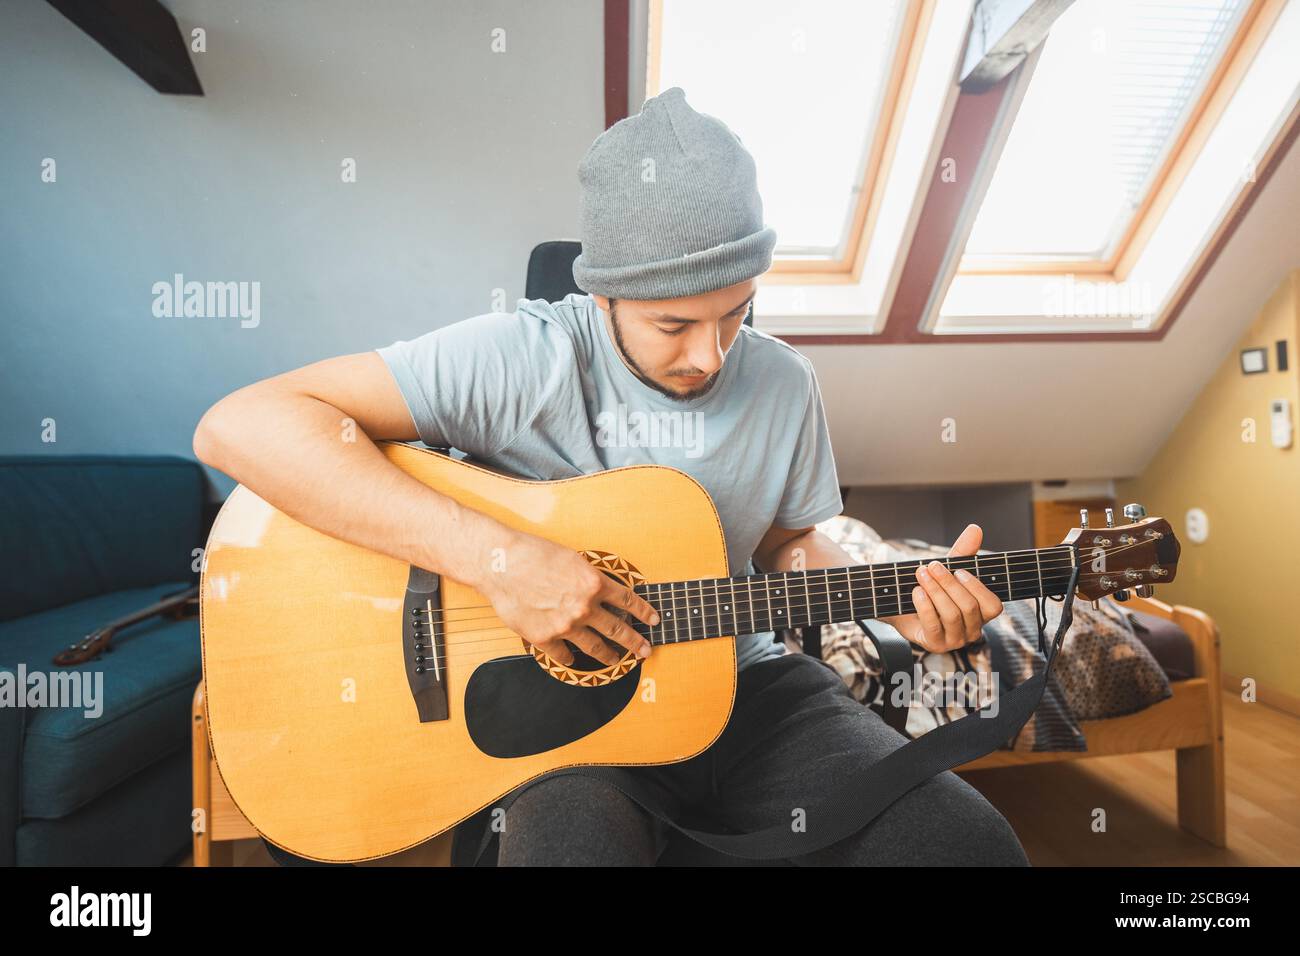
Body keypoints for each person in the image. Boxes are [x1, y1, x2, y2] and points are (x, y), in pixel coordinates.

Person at [194, 87, 1028, 867]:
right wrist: (500, 560)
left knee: (966, 845)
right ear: (602, 299)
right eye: (675, 323)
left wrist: (893, 601)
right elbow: (241, 425)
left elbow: (784, 546)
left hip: (746, 689)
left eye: (737, 313)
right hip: (560, 728)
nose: (712, 355)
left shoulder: (786, 382)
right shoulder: (523, 357)